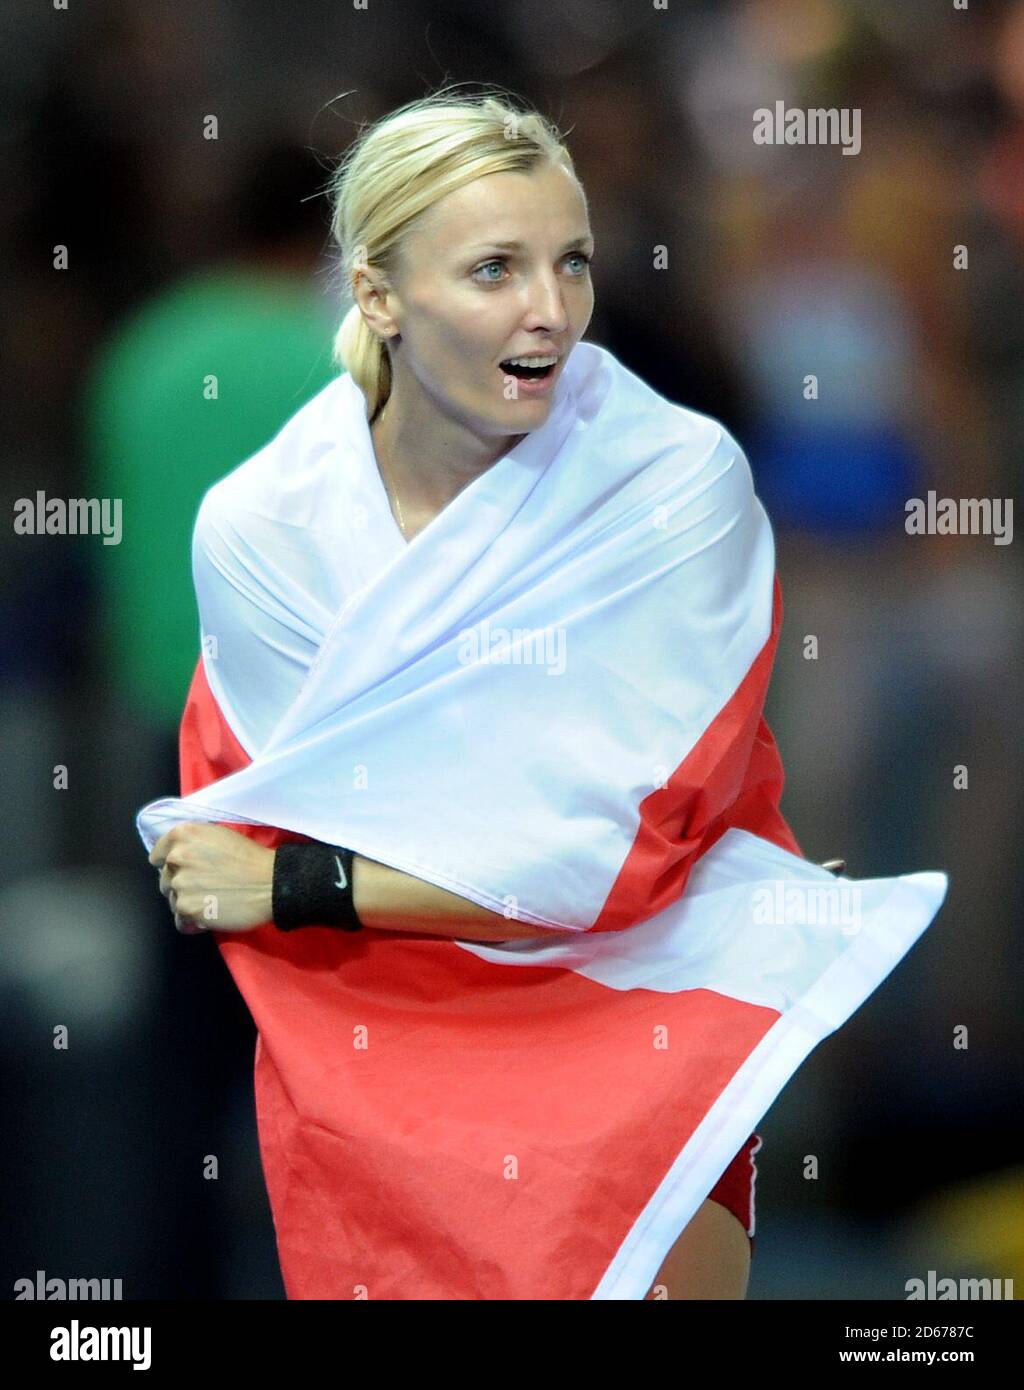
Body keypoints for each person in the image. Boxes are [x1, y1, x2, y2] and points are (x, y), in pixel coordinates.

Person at [141, 86, 945, 1300]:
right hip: (375, 1052)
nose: (550, 310)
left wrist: (306, 883)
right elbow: (257, 833)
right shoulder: (262, 527)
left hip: (641, 1030)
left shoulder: (676, 482)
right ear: (377, 295)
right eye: (493, 269)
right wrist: (331, 866)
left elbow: (608, 853)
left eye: (570, 262)